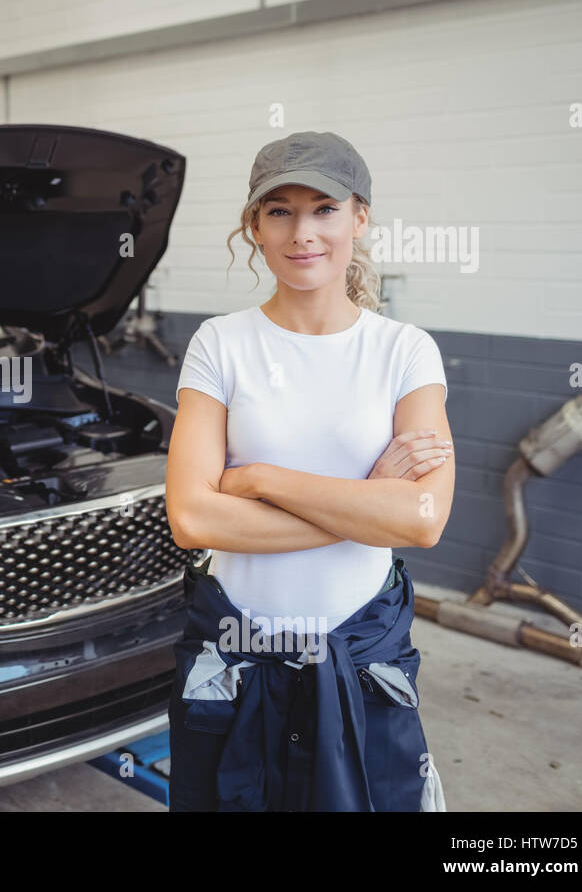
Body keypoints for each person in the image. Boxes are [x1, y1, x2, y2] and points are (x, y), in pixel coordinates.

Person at [164, 130, 452, 811]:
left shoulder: (403, 353)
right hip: (237, 655)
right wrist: (367, 504)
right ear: (254, 228)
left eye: (323, 208)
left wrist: (260, 478)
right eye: (279, 211)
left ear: (359, 217)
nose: (303, 233)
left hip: (362, 655)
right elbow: (193, 517)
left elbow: (422, 518)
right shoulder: (220, 344)